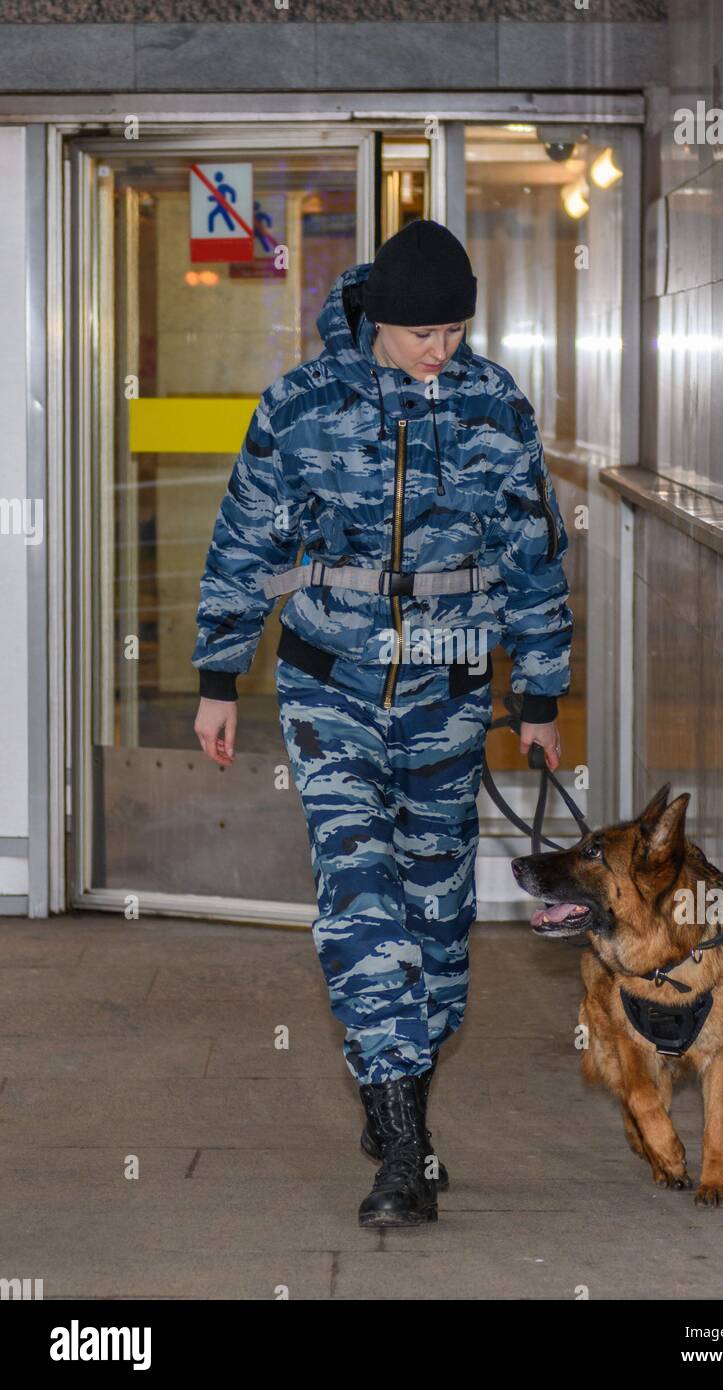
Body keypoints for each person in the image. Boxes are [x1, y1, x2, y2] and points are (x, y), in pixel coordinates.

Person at [191, 219, 574, 1227]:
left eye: (453, 328)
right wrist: (218, 674)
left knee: (437, 930)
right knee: (360, 898)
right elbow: (243, 539)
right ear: (375, 321)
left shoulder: (493, 404)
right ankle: (403, 1141)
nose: (438, 349)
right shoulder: (300, 405)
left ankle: (395, 1068)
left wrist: (538, 696)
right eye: (420, 332)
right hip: (331, 690)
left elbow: (533, 552)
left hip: (448, 697)